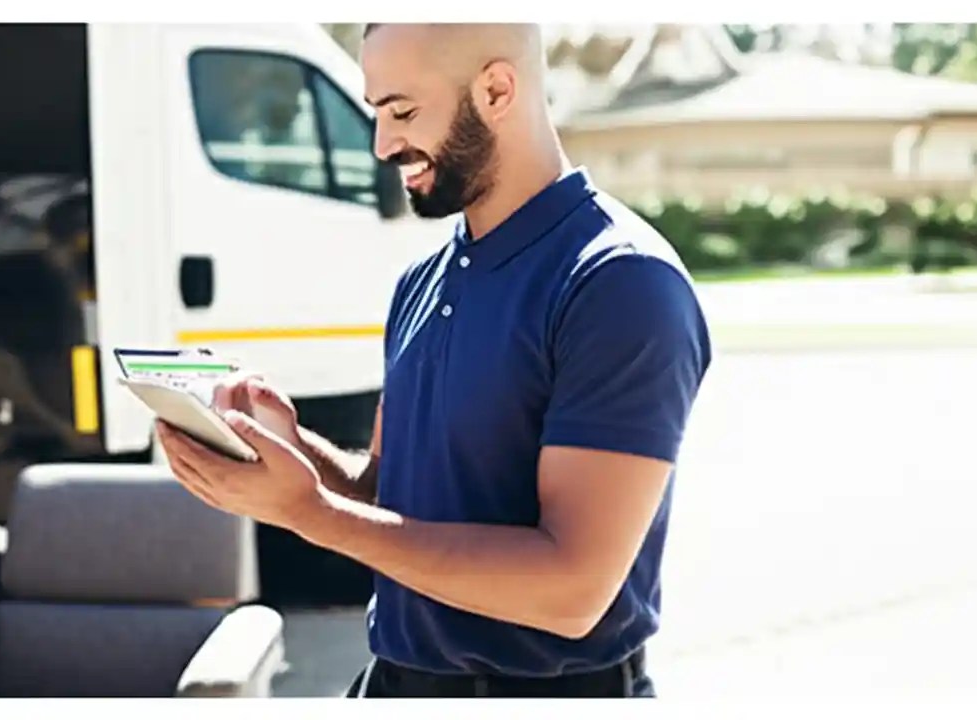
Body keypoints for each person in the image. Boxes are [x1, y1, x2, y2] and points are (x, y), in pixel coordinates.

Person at [156, 22, 712, 698]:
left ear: (497, 89)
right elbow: (390, 498)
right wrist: (291, 453)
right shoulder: (421, 279)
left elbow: (572, 590)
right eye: (377, 113)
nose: (383, 144)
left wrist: (311, 514)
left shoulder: (619, 283)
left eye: (403, 111)